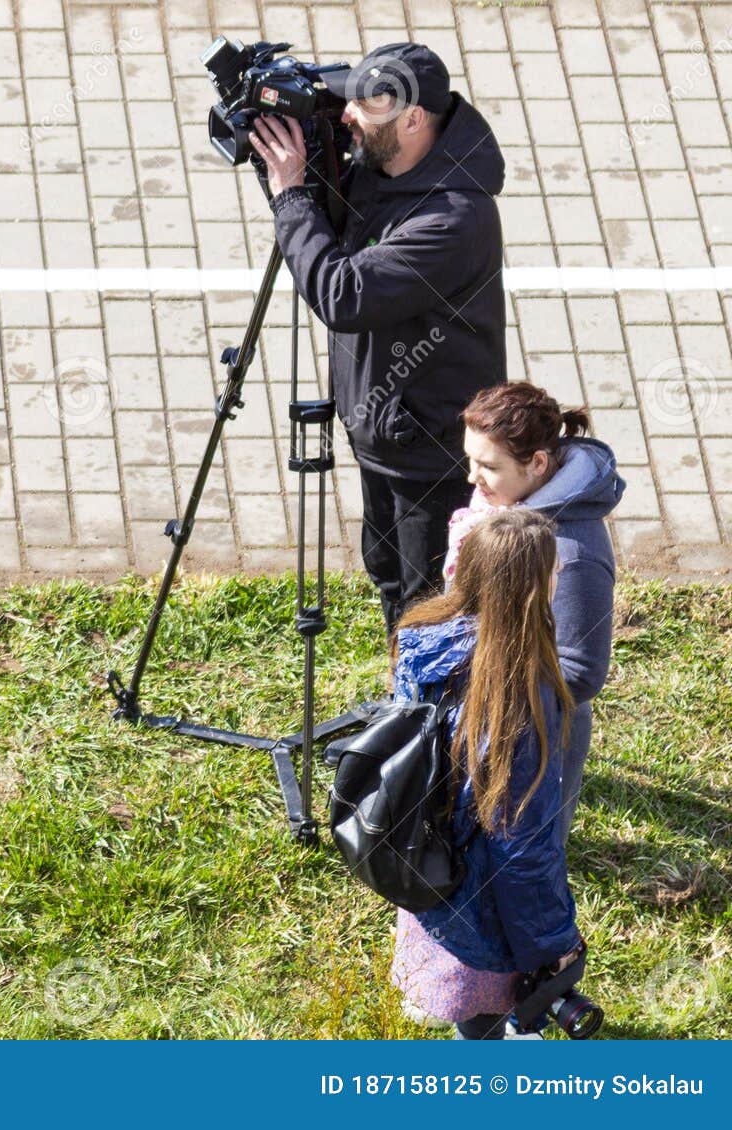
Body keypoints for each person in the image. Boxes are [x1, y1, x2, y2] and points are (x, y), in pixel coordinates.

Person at [252, 43, 507, 632]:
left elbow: (341, 293)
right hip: (384, 429)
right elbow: (327, 227)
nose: (347, 119)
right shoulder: (385, 165)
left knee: (430, 603)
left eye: (362, 109)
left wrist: (290, 191)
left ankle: (430, 714)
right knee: (387, 573)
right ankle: (404, 696)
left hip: (429, 451)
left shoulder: (451, 218)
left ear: (413, 118)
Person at [386, 508, 584, 1040]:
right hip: (482, 910)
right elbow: (520, 847)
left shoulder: (422, 635)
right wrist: (555, 941)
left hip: (424, 867)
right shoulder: (523, 699)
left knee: (463, 1005)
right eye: (552, 571)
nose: (559, 576)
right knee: (482, 1024)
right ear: (530, 593)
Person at [449, 382, 624, 844]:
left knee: (527, 855)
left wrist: (496, 684)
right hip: (483, 699)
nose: (473, 478)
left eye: (488, 466)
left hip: (538, 732)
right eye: (471, 460)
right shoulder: (503, 505)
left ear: (539, 464)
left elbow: (581, 671)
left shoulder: (572, 552)